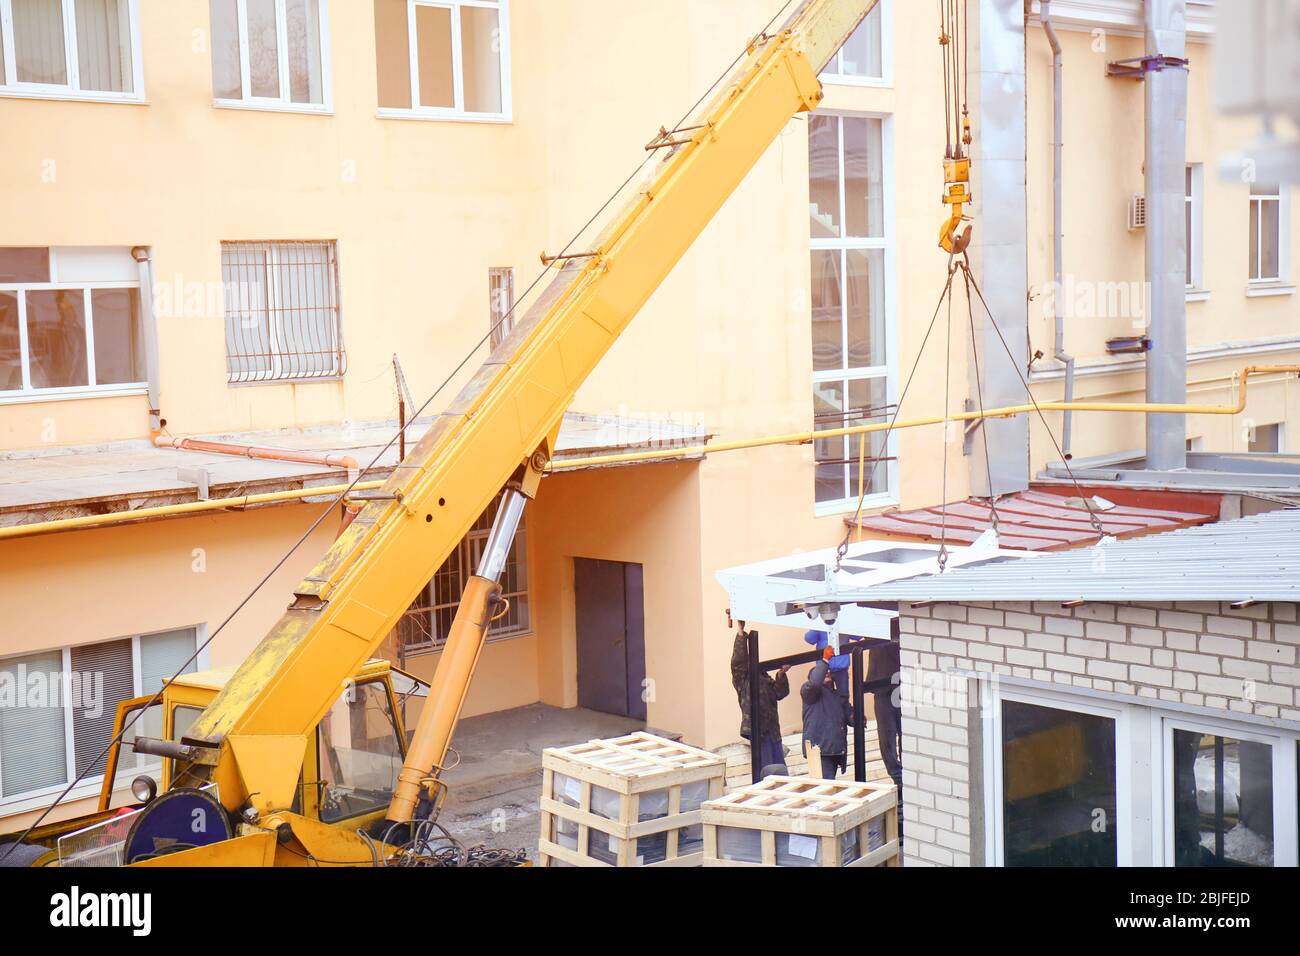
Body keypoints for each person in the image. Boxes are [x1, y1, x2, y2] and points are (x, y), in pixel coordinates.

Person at [730, 629, 789, 770]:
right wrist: (740, 634)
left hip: (773, 731)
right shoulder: (743, 679)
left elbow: (780, 693)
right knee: (767, 771)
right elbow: (738, 661)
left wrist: (781, 675)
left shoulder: (764, 677)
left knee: (779, 769)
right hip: (758, 731)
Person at [801, 657, 853, 780]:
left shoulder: (837, 695)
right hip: (820, 751)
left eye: (828, 673)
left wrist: (856, 717)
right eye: (824, 673)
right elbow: (814, 683)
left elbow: (849, 717)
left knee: (828, 788)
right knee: (827, 789)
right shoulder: (810, 693)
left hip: (833, 750)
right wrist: (824, 661)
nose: (827, 673)